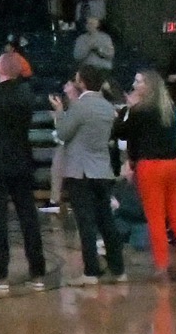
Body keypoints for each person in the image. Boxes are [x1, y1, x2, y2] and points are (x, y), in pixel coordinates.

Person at [0, 51, 46, 292]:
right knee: (28, 215)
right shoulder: (27, 95)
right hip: (22, 159)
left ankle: (0, 270)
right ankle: (37, 269)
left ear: (2, 69)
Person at [117, 68, 176, 278]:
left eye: (139, 82)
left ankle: (161, 265)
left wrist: (125, 110)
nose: (135, 85)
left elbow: (121, 134)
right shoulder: (169, 109)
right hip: (173, 165)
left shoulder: (139, 110)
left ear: (148, 86)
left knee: (155, 218)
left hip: (151, 166)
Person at [50, 67, 125, 284]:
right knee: (106, 220)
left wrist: (59, 113)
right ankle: (118, 269)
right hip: (102, 169)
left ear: (81, 82)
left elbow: (63, 133)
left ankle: (91, 271)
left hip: (80, 170)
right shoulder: (106, 106)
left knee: (86, 222)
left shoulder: (80, 106)